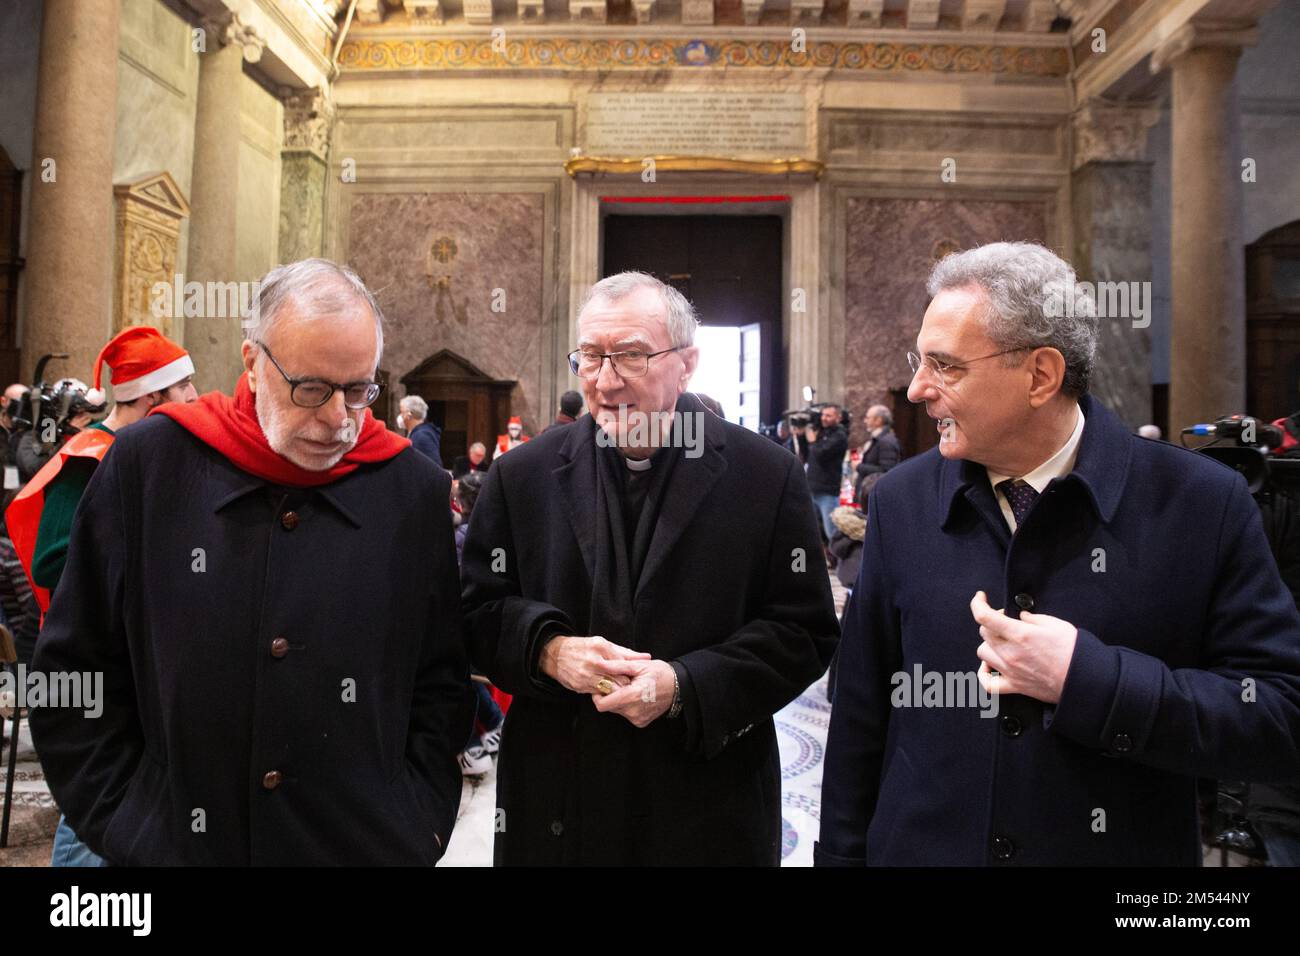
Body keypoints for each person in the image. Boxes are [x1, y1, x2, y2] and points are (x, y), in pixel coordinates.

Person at [817, 242, 1300, 866]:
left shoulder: (1201, 503)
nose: (916, 390)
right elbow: (860, 714)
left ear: (1040, 375)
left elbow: (1279, 719)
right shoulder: (902, 503)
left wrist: (1088, 680)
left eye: (945, 366)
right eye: (920, 361)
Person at [29, 258, 470, 865]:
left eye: (359, 390)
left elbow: (440, 681)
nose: (339, 419)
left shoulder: (411, 490)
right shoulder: (149, 467)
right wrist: (127, 820)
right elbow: (74, 666)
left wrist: (412, 823)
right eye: (311, 388)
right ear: (252, 363)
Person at [461, 270, 838, 865]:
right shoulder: (522, 476)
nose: (605, 381)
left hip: (704, 797)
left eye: (631, 356)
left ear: (686, 363)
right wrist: (549, 650)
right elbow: (477, 613)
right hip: (558, 798)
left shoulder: (764, 476)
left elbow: (804, 632)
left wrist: (684, 686)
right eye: (590, 357)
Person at [6, 325, 197, 867]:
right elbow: (52, 560)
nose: (195, 399)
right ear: (155, 397)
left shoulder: (140, 452)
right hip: (90, 657)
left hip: (129, 655)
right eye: (185, 388)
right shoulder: (92, 454)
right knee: (93, 793)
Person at [801, 404, 848, 541]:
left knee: (832, 533)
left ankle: (838, 562)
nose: (824, 418)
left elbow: (820, 454)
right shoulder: (822, 433)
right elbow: (806, 454)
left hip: (827, 491)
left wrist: (813, 441)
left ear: (838, 418)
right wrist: (800, 436)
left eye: (828, 415)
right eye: (823, 415)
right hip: (813, 489)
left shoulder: (839, 436)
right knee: (812, 532)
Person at [854, 404, 900, 504]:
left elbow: (886, 470)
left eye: (868, 418)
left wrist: (859, 466)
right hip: (870, 495)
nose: (865, 421)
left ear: (878, 420)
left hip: (875, 496)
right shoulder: (879, 439)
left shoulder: (886, 442)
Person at [397, 394, 443, 467]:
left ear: (409, 415)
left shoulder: (421, 436)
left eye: (402, 412)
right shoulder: (418, 433)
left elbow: (434, 467)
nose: (400, 416)